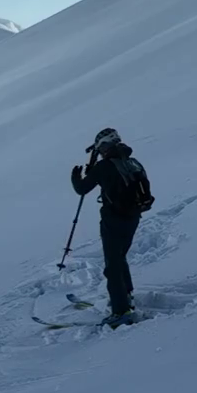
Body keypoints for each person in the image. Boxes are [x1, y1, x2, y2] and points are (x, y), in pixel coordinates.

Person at [70, 128, 153, 326]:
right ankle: (126, 297)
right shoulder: (133, 162)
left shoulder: (104, 166)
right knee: (120, 258)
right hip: (133, 217)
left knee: (113, 266)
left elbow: (82, 188)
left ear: (104, 147)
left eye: (100, 149)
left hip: (113, 220)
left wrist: (76, 177)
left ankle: (121, 311)